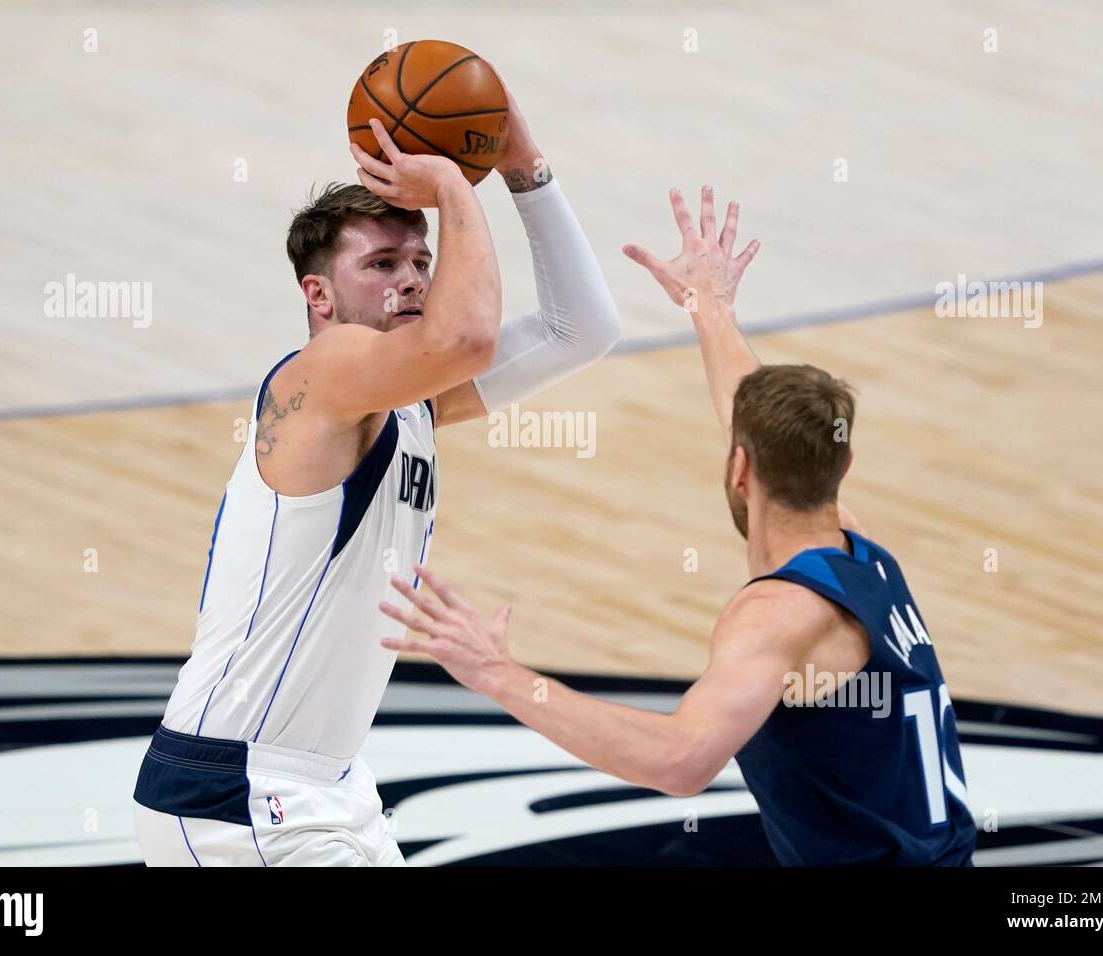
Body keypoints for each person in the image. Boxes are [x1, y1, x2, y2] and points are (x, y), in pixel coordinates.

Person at [379, 186, 978, 866]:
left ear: (740, 471)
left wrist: (499, 674)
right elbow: (757, 425)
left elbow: (680, 761)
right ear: (843, 463)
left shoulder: (779, 616)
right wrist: (709, 308)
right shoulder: (860, 552)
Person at [133, 84, 619, 866]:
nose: (413, 279)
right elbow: (465, 337)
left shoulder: (409, 399)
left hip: (325, 786)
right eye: (383, 262)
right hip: (241, 793)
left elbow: (581, 329)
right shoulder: (323, 373)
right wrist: (457, 188)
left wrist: (525, 165)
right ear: (317, 295)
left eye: (422, 260)